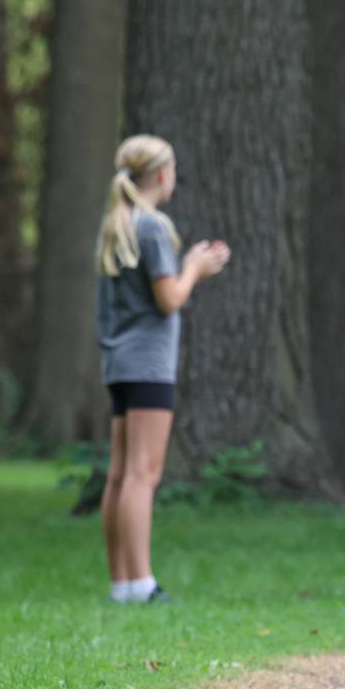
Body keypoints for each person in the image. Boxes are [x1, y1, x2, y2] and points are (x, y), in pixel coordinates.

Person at [95, 135, 230, 603]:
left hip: (118, 362)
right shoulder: (152, 226)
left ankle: (122, 584)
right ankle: (143, 584)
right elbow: (169, 298)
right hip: (149, 364)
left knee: (119, 473)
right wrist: (194, 267)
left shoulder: (118, 223)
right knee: (142, 474)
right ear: (160, 175)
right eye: (172, 170)